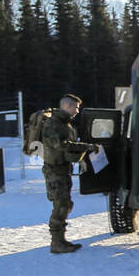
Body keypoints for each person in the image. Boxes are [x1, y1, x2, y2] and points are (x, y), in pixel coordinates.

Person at [39, 93, 95, 253]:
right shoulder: (53, 123)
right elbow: (60, 145)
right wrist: (85, 147)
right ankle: (56, 243)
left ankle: (60, 240)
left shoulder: (65, 124)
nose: (77, 111)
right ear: (68, 106)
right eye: (76, 107)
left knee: (64, 204)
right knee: (60, 204)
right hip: (54, 171)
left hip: (63, 170)